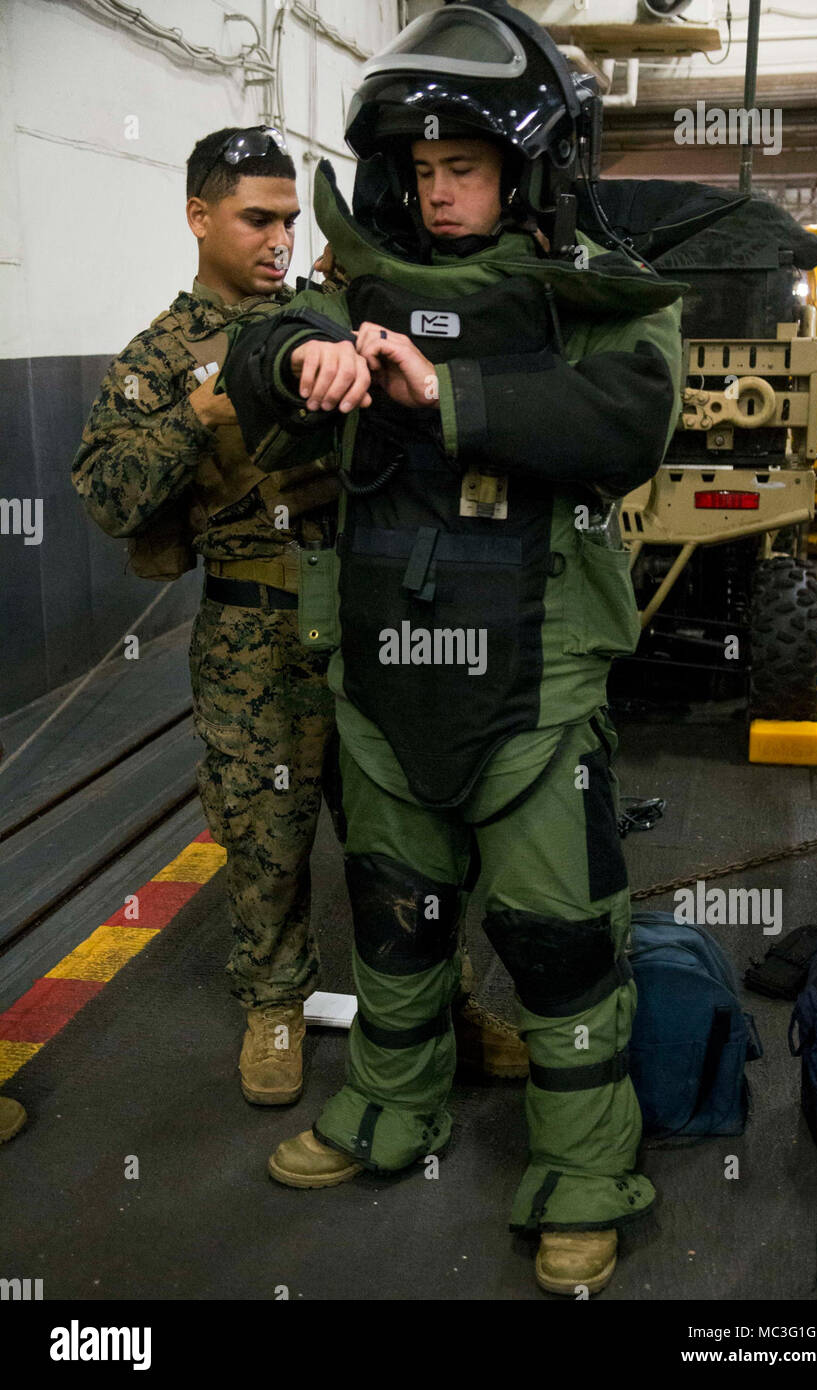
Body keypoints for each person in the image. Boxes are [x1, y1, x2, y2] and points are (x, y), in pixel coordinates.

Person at [218, 0, 687, 1295]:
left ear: (525, 163)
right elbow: (255, 343)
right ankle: (385, 1107)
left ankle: (585, 1176)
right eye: (420, 170)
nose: (435, 194)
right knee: (398, 922)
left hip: (532, 691)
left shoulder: (592, 283)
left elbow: (633, 411)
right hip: (382, 684)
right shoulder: (355, 280)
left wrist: (452, 392)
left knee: (555, 940)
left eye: (461, 167)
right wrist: (311, 352)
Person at [71, 124, 522, 1109]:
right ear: (199, 217)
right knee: (264, 835)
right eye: (254, 218)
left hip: (365, 611)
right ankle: (273, 1004)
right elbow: (107, 494)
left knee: (408, 830)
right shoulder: (158, 354)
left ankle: (435, 1003)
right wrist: (202, 413)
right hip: (251, 631)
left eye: (287, 219)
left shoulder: (328, 317)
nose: (277, 238)